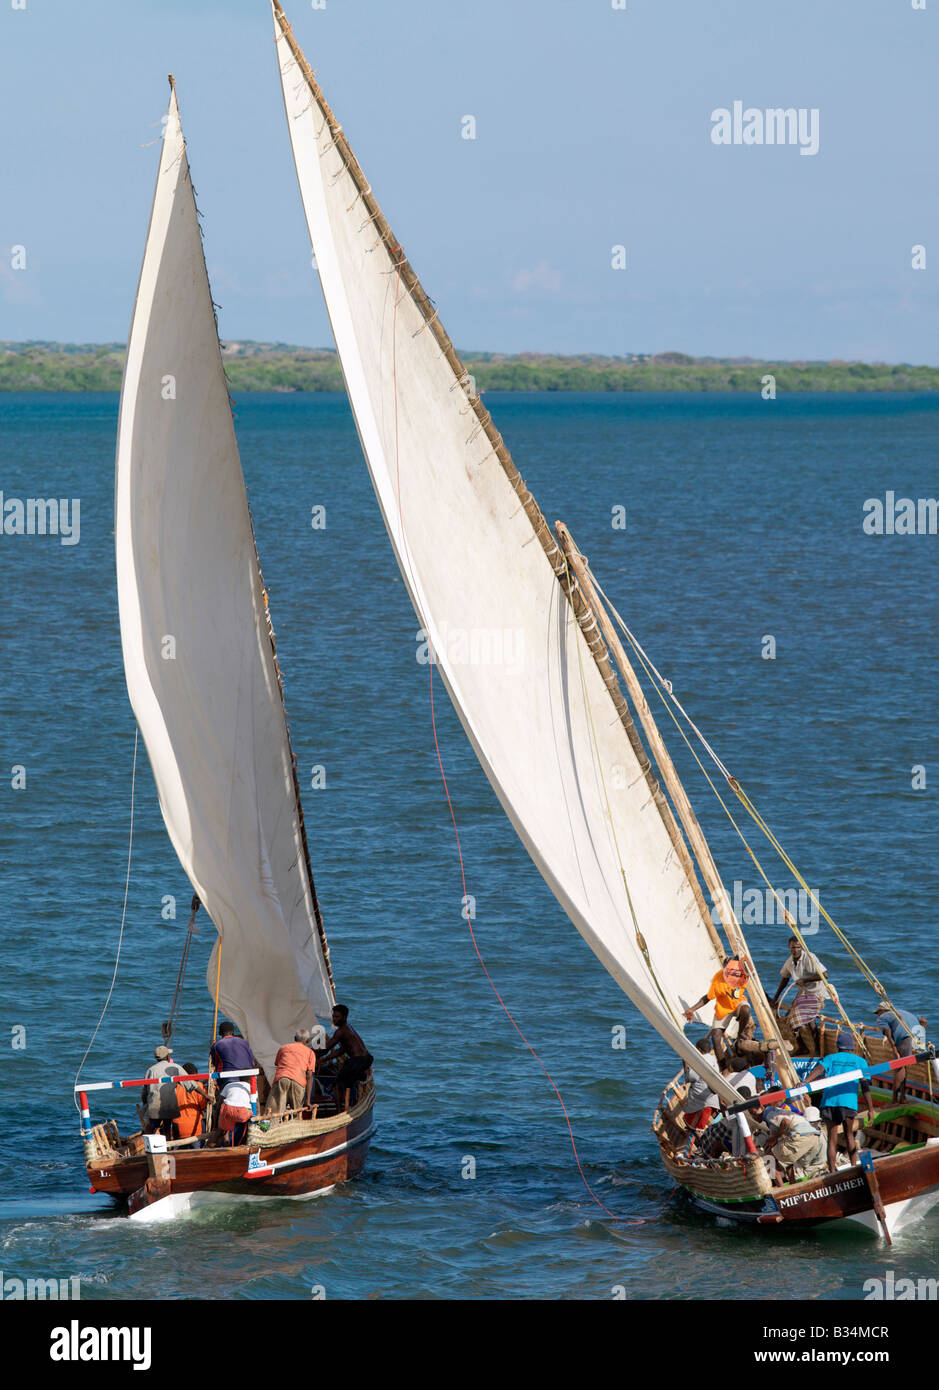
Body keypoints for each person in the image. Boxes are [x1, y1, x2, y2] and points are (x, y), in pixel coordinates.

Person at [806, 1030, 875, 1172]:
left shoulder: (830, 1058)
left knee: (832, 1139)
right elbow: (865, 1086)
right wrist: (871, 1109)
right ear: (852, 1047)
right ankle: (854, 1166)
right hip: (848, 1102)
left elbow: (819, 1069)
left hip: (830, 1102)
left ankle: (832, 1172)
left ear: (838, 1047)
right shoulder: (861, 1061)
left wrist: (805, 1082)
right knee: (849, 1135)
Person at [770, 937, 829, 1056]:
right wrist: (776, 998)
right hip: (803, 993)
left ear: (801, 948)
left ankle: (817, 1049)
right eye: (793, 947)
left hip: (817, 993)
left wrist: (805, 980)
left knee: (807, 1017)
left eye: (798, 947)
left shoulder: (809, 957)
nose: (796, 950)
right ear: (789, 948)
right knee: (788, 1019)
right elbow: (785, 979)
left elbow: (825, 975)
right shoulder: (790, 962)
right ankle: (801, 1046)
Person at [683, 959, 750, 1063]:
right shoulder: (718, 979)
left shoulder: (740, 975)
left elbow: (748, 969)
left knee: (746, 1009)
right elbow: (708, 997)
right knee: (715, 1036)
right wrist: (692, 1009)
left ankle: (740, 1033)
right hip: (723, 1009)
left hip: (738, 1004)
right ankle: (723, 1067)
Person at [318, 1005, 373, 1113]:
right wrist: (325, 1059)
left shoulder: (340, 1031)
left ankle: (339, 1112)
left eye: (337, 1017)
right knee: (348, 1079)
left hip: (357, 1061)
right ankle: (357, 1081)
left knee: (337, 1085)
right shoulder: (349, 1027)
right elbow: (342, 1050)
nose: (334, 1019)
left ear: (344, 1016)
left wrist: (312, 1053)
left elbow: (326, 1048)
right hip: (367, 1059)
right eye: (333, 1016)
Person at [762, 1105, 827, 1186]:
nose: (812, 1124)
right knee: (783, 1155)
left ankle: (781, 1187)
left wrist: (774, 1139)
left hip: (810, 1170)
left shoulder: (769, 1113)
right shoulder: (816, 1133)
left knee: (768, 1157)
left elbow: (785, 1123)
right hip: (806, 1168)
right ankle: (789, 1184)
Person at [875, 1002, 928, 1101]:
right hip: (913, 1038)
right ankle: (902, 1097)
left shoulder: (882, 1017)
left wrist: (894, 1048)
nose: (878, 1015)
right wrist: (921, 1036)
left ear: (882, 1011)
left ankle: (895, 1099)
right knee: (903, 1068)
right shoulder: (905, 1013)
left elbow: (887, 1030)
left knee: (899, 1068)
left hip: (904, 1039)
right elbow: (923, 1021)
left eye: (878, 1012)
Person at [268, 1029, 317, 1114]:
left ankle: (274, 1125)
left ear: (294, 1038)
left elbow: (277, 1064)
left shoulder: (283, 1048)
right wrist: (308, 1101)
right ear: (307, 1041)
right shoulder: (310, 1053)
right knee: (295, 1114)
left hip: (282, 1079)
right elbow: (309, 1076)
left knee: (274, 1113)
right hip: (298, 1082)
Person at [682, 1039, 719, 1142]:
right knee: (700, 1112)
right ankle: (694, 1128)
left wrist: (685, 1064)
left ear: (698, 1049)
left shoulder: (699, 1061)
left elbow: (690, 1078)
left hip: (701, 1096)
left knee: (693, 1105)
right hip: (712, 1096)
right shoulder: (713, 1058)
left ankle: (697, 1135)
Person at [142, 1044, 182, 1137]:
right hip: (168, 1105)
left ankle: (146, 1144)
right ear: (167, 1056)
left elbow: (144, 1091)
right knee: (167, 1128)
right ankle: (167, 1147)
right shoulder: (175, 1067)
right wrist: (206, 1095)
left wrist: (144, 1103)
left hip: (154, 1104)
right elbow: (190, 1083)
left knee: (151, 1127)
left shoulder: (151, 1070)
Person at [210, 1021, 257, 1087]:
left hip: (228, 1079)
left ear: (220, 1033)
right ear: (233, 1032)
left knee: (216, 1075)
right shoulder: (245, 1043)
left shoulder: (216, 1045)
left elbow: (215, 1064)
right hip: (249, 1079)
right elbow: (252, 1062)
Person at [173, 1062, 209, 1142]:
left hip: (178, 1128)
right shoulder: (199, 1086)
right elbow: (204, 1106)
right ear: (195, 1074)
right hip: (195, 1128)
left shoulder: (175, 1087)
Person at [217, 1077, 253, 1146]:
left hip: (227, 1109)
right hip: (242, 1114)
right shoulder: (252, 1088)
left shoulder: (229, 1085)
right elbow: (255, 1105)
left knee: (223, 1130)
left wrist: (216, 1123)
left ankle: (225, 1141)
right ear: (251, 1080)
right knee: (251, 1112)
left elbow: (219, 1103)